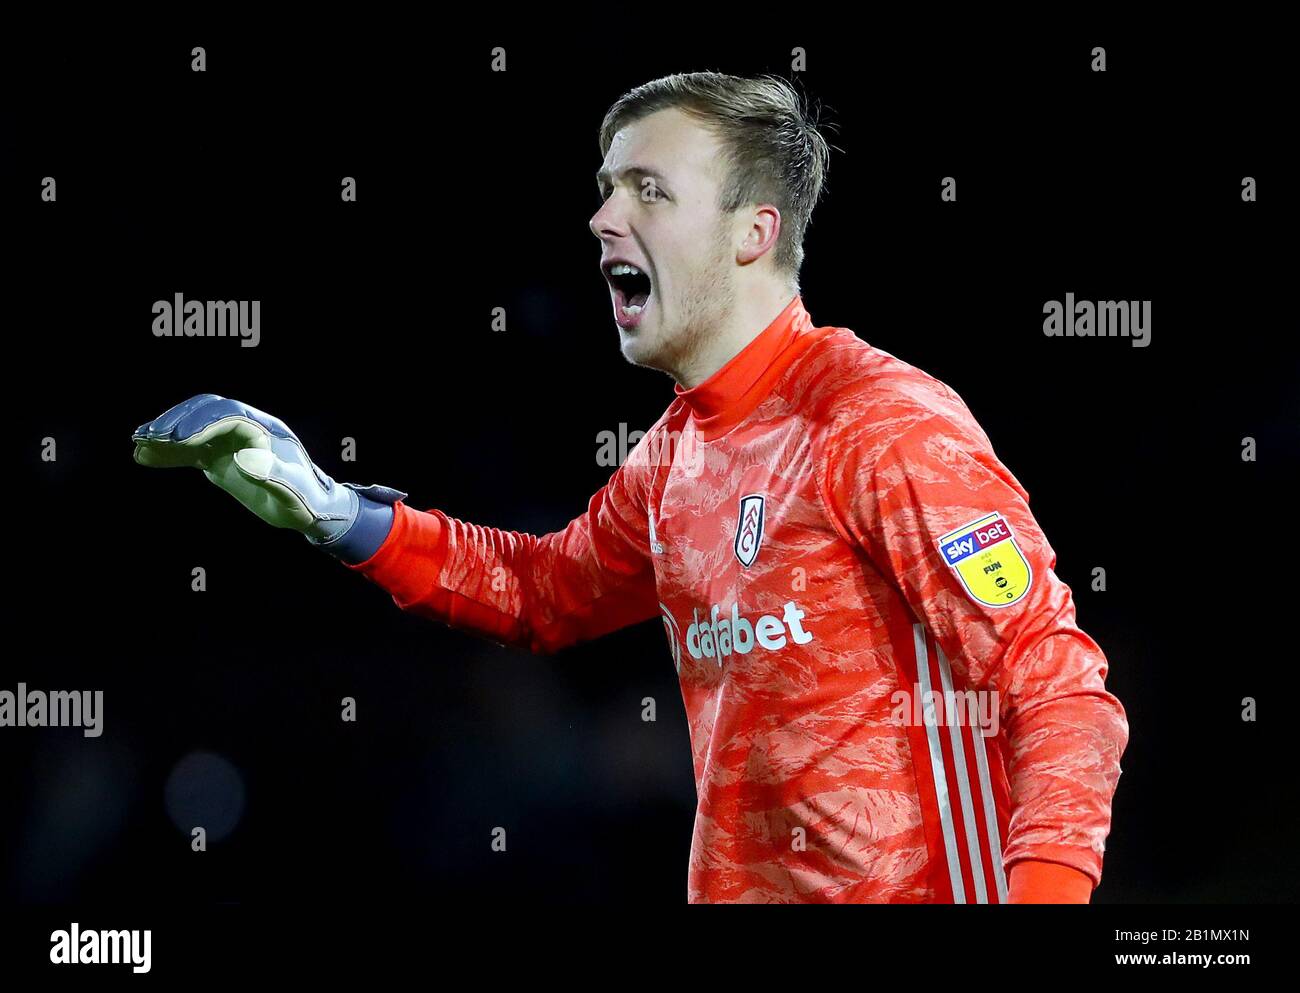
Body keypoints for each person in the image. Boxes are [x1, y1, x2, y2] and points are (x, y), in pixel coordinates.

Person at [133, 72, 1128, 904]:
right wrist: (333, 512)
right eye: (607, 187)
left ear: (751, 234)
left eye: (647, 190)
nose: (602, 215)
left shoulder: (878, 424)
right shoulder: (675, 455)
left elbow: (1060, 690)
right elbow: (541, 595)